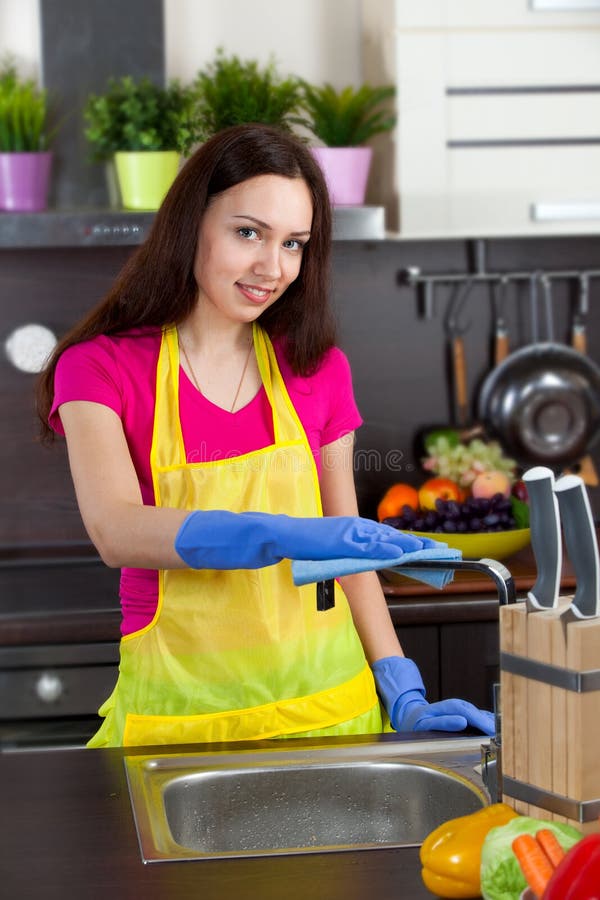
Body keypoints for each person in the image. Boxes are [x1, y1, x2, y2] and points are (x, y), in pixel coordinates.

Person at [36, 123, 494, 748]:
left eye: (294, 244)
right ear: (191, 223)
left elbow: (351, 555)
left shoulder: (317, 369)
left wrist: (402, 688)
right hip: (178, 732)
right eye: (248, 232)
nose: (271, 268)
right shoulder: (100, 367)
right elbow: (116, 531)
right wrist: (278, 532)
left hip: (332, 718)